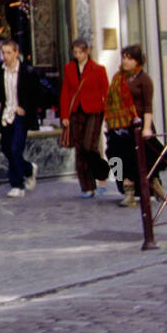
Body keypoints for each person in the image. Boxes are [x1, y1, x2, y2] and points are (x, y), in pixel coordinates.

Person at [104, 44, 164, 207]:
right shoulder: (118, 77)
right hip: (119, 128)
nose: (125, 61)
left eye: (129, 58)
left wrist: (147, 128)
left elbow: (147, 106)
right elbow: (111, 101)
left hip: (138, 126)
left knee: (142, 159)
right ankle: (127, 190)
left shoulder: (144, 79)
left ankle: (153, 183)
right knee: (116, 157)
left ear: (137, 61)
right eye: (123, 57)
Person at [0, 40, 44, 197]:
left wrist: (25, 109)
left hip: (20, 116)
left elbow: (36, 95)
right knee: (6, 148)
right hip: (6, 115)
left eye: (9, 52)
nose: (6, 56)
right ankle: (28, 169)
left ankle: (17, 185)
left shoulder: (27, 72)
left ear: (16, 53)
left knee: (15, 148)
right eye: (3, 52)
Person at [59, 38, 110, 197]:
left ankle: (101, 175)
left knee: (89, 146)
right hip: (76, 112)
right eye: (75, 52)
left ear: (87, 51)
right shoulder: (69, 68)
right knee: (80, 149)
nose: (78, 55)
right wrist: (65, 115)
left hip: (94, 111)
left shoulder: (98, 69)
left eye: (80, 52)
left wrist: (108, 115)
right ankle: (87, 186)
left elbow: (106, 93)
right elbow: (66, 92)